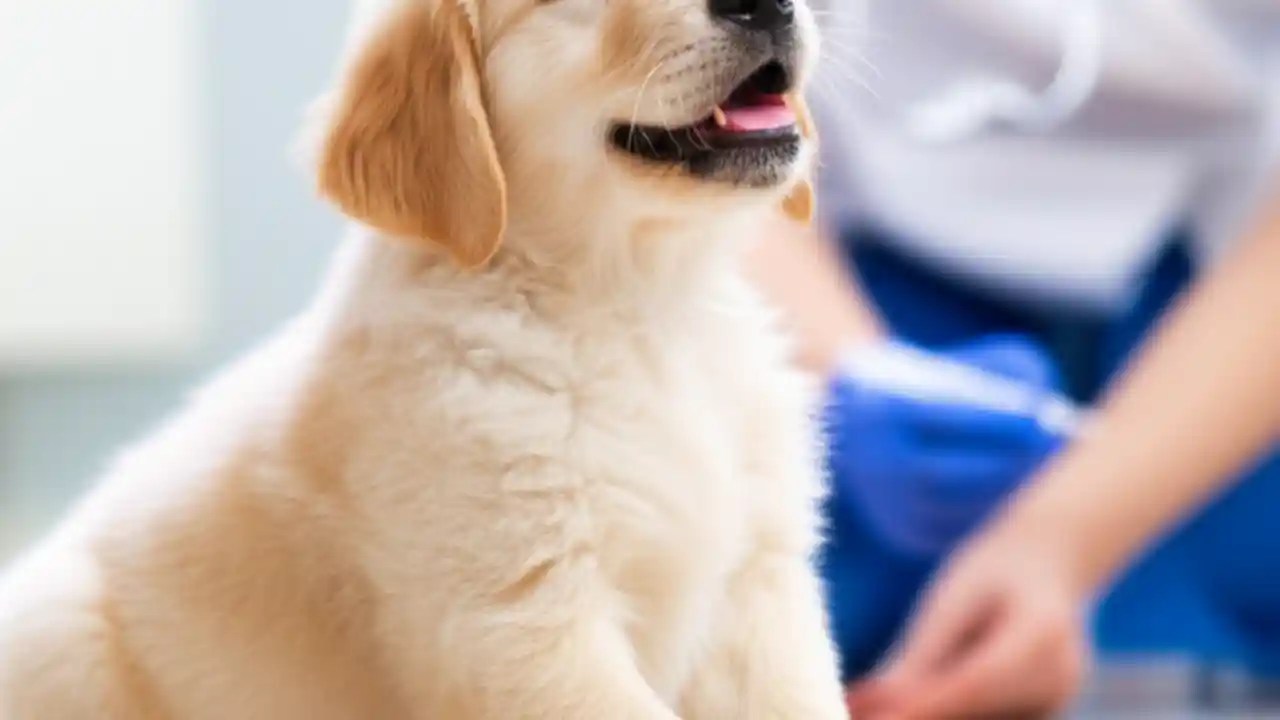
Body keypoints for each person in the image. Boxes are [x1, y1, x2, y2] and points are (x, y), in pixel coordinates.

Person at [747, 1, 1280, 716]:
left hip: (1222, 274)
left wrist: (1062, 538)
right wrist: (848, 366)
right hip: (813, 224)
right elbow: (643, 79)